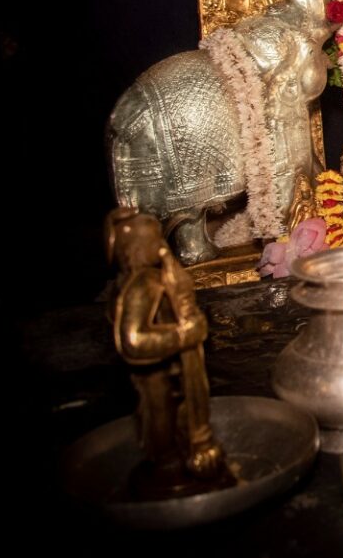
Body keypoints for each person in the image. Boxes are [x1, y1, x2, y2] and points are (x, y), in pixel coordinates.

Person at [107, 208, 232, 496]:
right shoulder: (144, 284)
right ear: (138, 248)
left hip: (169, 370)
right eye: (156, 242)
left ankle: (175, 455)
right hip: (156, 375)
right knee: (160, 418)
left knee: (174, 416)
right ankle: (166, 462)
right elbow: (133, 340)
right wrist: (183, 334)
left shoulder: (149, 278)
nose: (163, 246)